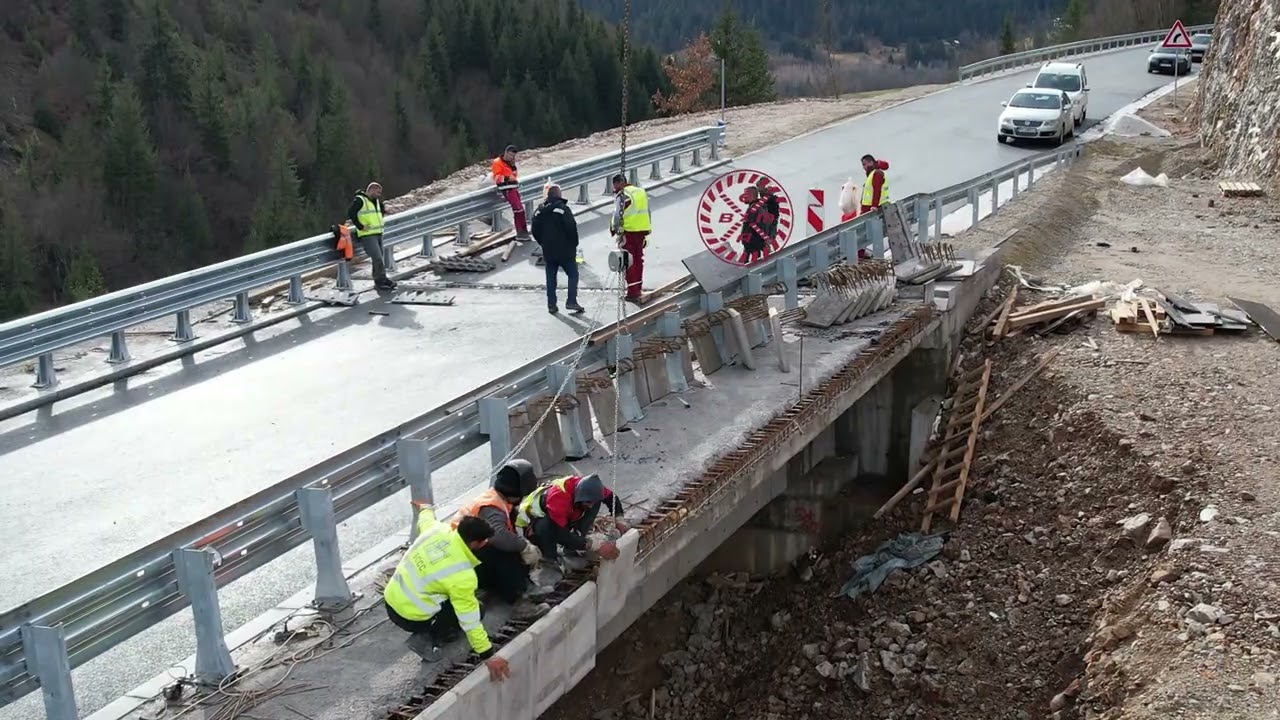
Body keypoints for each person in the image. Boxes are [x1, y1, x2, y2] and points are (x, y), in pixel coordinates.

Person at [383, 506, 511, 681]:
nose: (486, 544)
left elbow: (426, 520)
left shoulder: (437, 530)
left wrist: (425, 508)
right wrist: (488, 655)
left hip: (391, 599)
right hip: (411, 617)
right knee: (477, 610)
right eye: (484, 541)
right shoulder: (462, 575)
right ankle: (427, 637)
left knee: (447, 595)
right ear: (475, 543)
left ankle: (430, 627)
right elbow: (470, 620)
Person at [451, 460, 549, 620]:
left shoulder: (498, 500)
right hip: (461, 567)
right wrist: (524, 546)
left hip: (468, 558)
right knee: (504, 552)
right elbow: (499, 537)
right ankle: (519, 602)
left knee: (511, 545)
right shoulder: (492, 508)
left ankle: (523, 586)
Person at [516, 474, 628, 570]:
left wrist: (619, 519)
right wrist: (595, 546)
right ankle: (549, 561)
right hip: (535, 524)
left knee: (594, 503)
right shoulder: (558, 499)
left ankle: (573, 547)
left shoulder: (590, 487)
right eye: (588, 502)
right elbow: (561, 534)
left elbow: (612, 498)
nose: (590, 505)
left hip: (563, 515)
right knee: (546, 527)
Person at [531, 183, 585, 315]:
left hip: (548, 250)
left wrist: (543, 243)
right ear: (558, 195)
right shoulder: (562, 209)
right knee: (573, 274)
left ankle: (551, 304)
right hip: (565, 250)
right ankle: (571, 301)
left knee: (550, 277)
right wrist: (574, 244)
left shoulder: (539, 211)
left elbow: (534, 230)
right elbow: (571, 228)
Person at [609, 174, 651, 303]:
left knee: (629, 262)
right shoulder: (640, 192)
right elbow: (647, 211)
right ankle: (637, 288)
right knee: (638, 261)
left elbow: (617, 214)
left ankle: (633, 292)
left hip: (629, 232)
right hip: (641, 231)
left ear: (619, 183)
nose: (614, 189)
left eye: (615, 186)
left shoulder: (624, 194)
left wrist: (615, 229)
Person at [347, 182, 396, 290]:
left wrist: (387, 212)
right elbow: (351, 212)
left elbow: (380, 212)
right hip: (367, 235)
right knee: (377, 258)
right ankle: (382, 280)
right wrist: (360, 226)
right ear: (372, 190)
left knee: (378, 258)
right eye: (378, 192)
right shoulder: (360, 200)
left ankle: (379, 280)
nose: (379, 194)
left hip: (378, 233)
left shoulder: (377, 202)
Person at [491, 145, 531, 242]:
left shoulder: (510, 163)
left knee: (520, 210)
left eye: (513, 156)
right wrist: (508, 178)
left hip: (513, 188)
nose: (511, 158)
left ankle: (523, 230)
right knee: (518, 210)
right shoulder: (497, 163)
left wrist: (512, 167)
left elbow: (514, 175)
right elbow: (497, 178)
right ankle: (520, 231)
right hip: (507, 189)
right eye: (510, 155)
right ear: (505, 153)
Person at [738, 185, 778, 264]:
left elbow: (754, 226)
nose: (744, 197)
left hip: (753, 243)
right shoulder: (762, 207)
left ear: (751, 195)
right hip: (755, 243)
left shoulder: (754, 209)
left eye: (746, 194)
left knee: (750, 265)